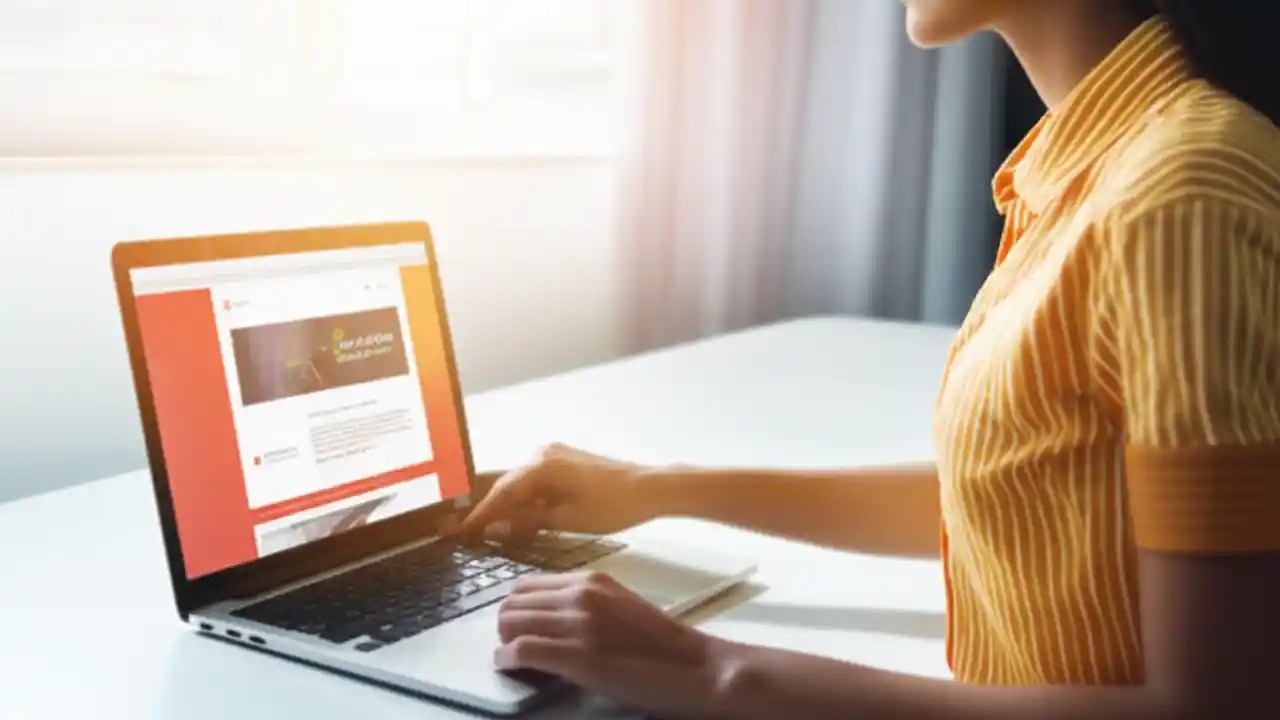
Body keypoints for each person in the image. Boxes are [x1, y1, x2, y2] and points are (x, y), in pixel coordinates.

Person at [455, 1, 1280, 717]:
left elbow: (1215, 708)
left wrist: (706, 670)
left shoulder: (1179, 196)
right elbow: (1024, 495)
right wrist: (655, 488)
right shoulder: (1103, 168)